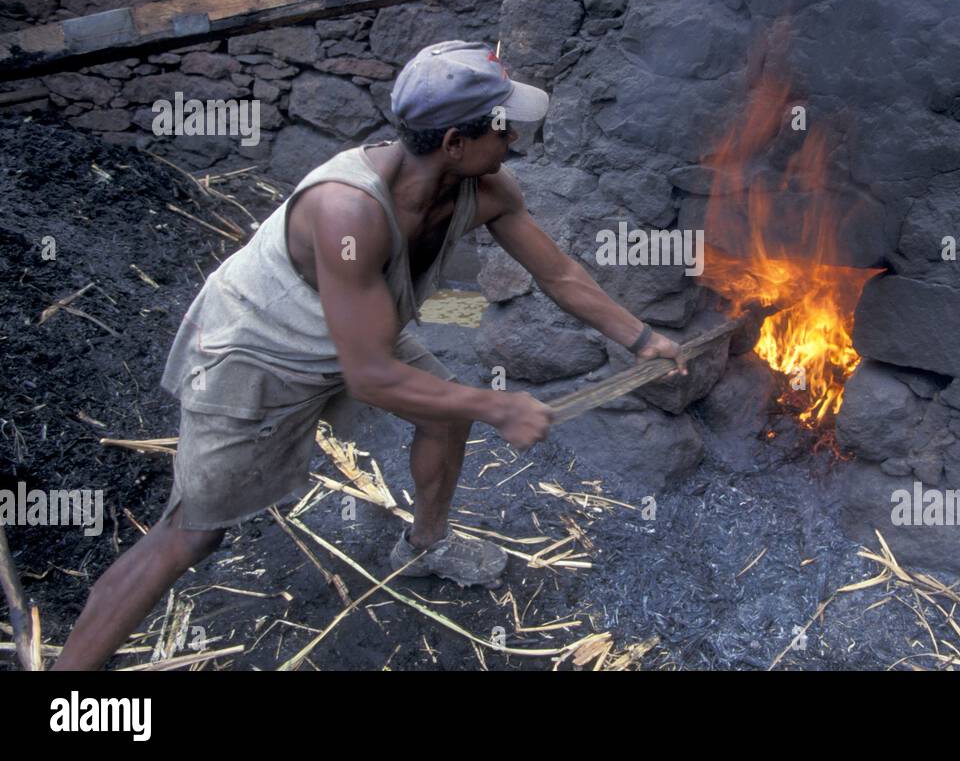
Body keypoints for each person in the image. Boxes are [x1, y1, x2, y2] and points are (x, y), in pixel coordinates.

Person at [53, 40, 687, 670]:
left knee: (445, 412)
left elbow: (559, 275)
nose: (515, 139)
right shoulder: (348, 210)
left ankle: (425, 546)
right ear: (454, 144)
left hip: (362, 333)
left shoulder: (486, 188)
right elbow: (372, 375)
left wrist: (641, 338)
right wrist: (499, 406)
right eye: (503, 127)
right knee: (193, 532)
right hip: (255, 350)